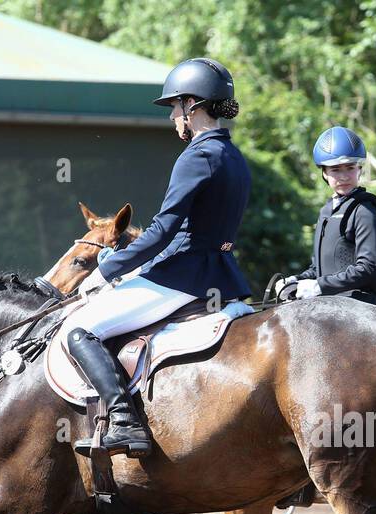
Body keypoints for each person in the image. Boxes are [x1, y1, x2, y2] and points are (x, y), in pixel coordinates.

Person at [62, 57, 252, 457]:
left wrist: (107, 268)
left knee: (81, 330)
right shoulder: (234, 156)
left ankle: (123, 422)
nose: (173, 119)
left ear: (193, 106)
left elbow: (164, 230)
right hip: (222, 276)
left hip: (183, 276)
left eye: (174, 109)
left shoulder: (198, 156)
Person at [278, 127, 376, 305]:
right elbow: (320, 269)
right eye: (336, 170)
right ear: (324, 172)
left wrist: (319, 286)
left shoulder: (365, 210)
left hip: (361, 305)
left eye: (350, 168)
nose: (344, 176)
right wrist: (296, 280)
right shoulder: (327, 211)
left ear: (359, 169)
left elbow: (368, 268)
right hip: (330, 304)